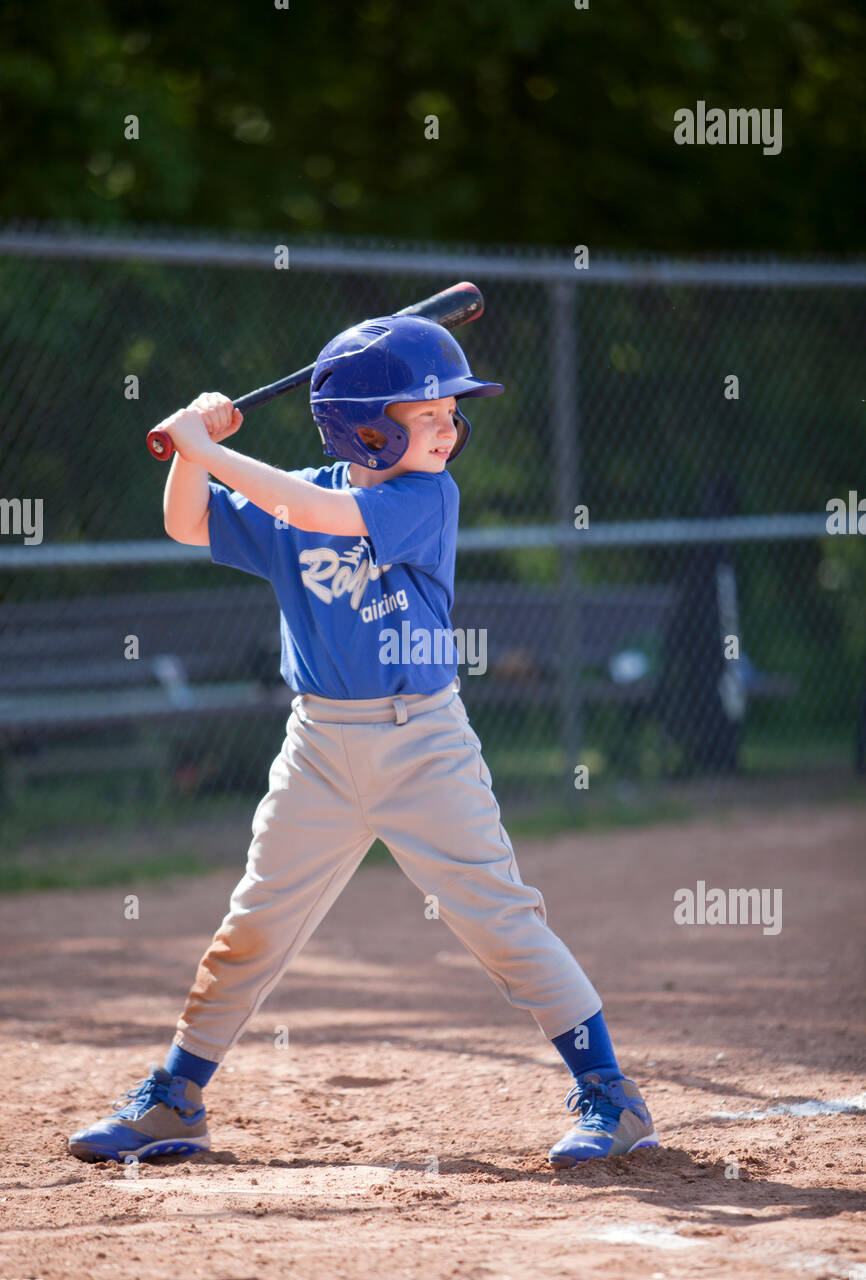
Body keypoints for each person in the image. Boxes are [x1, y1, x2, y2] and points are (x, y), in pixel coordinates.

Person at [68, 315, 658, 1169]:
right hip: (318, 748)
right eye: (429, 415)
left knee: (500, 920)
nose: (450, 428)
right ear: (365, 427)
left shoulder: (424, 497)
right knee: (256, 924)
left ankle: (610, 1094)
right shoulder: (295, 492)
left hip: (422, 743)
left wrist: (210, 445)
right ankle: (176, 1098)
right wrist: (193, 447)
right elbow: (186, 523)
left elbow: (319, 511)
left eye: (452, 414)